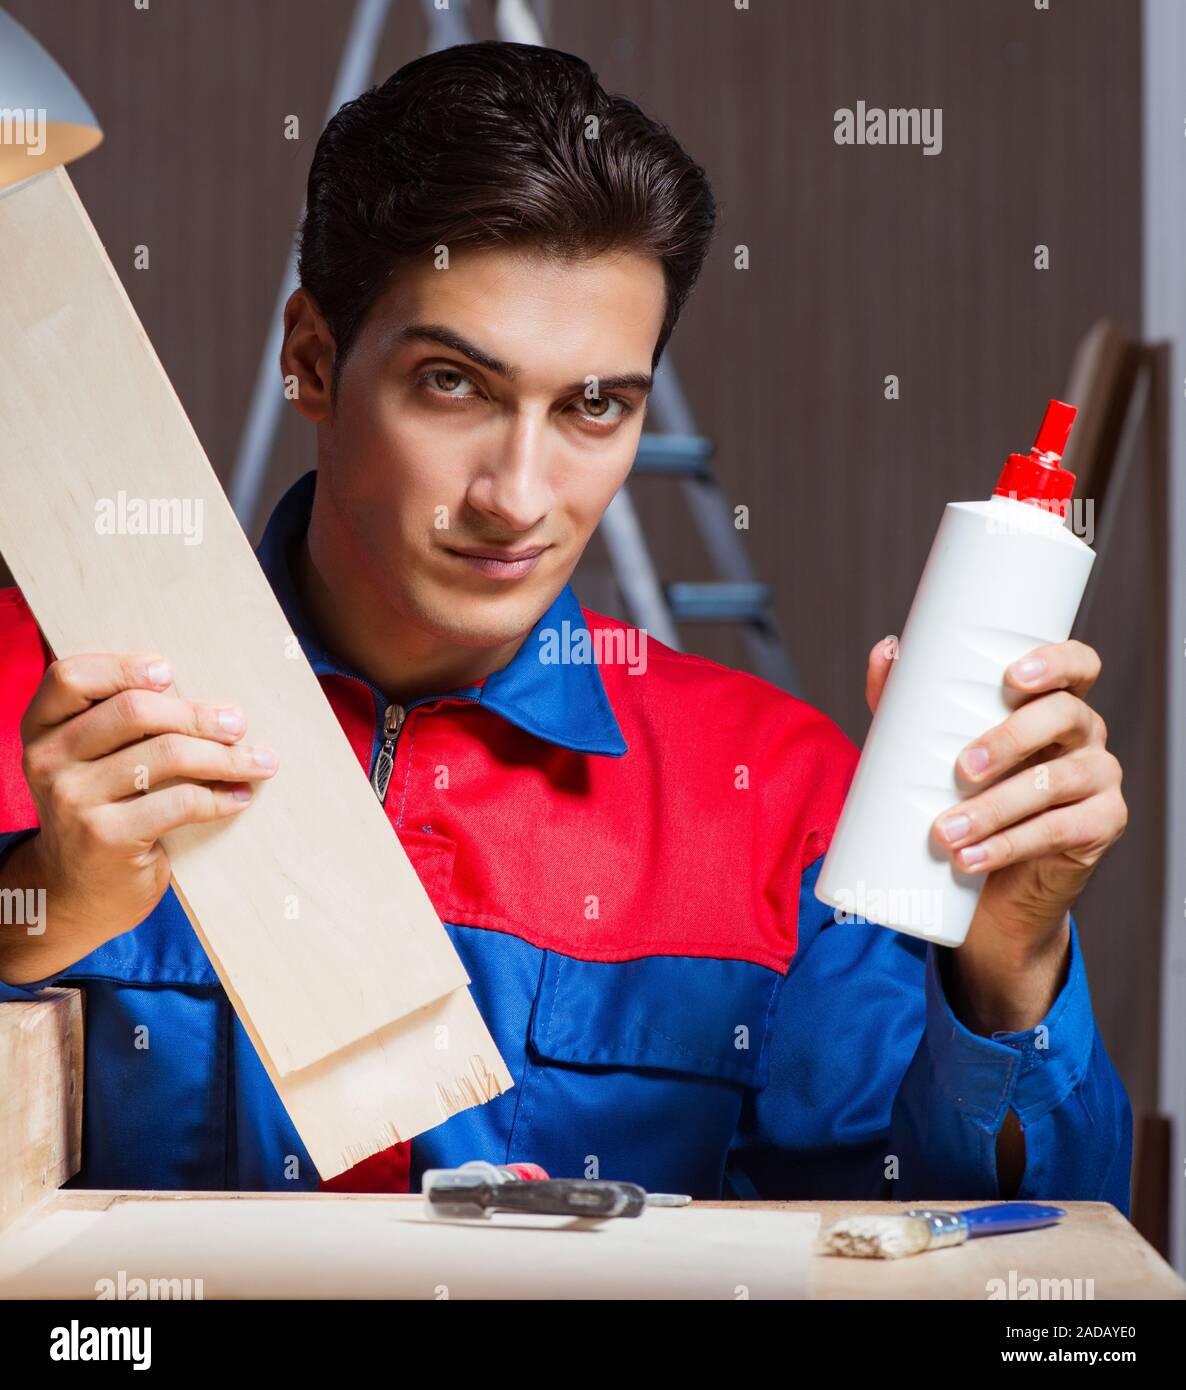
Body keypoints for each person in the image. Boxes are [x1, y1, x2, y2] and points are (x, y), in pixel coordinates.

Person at [0, 41, 1130, 1206]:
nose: (518, 496)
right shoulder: (33, 705)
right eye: (453, 384)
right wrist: (35, 914)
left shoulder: (778, 796)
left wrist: (1007, 970)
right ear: (313, 362)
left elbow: (976, 1264)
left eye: (594, 405)